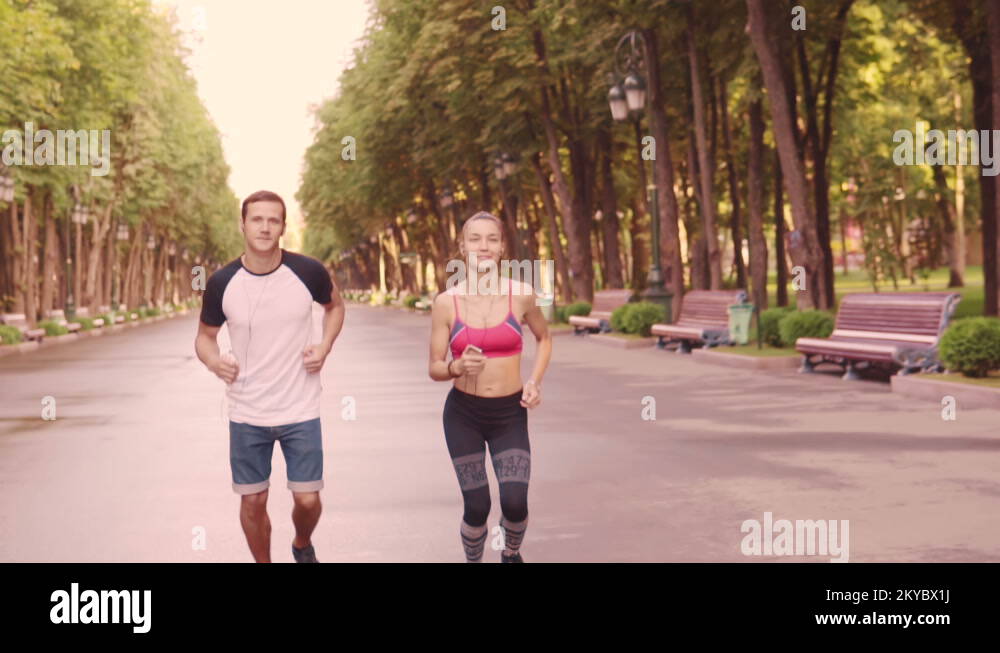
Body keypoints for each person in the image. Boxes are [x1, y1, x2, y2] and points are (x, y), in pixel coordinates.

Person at [194, 190, 345, 563]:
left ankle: (301, 543)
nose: (265, 227)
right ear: (242, 224)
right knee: (253, 499)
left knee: (308, 498)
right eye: (257, 219)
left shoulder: (308, 271)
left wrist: (324, 346)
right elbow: (204, 337)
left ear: (283, 227)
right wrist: (215, 363)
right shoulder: (221, 282)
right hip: (247, 411)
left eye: (273, 220)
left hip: (300, 407)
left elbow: (335, 307)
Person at [428, 211, 552, 562]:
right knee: (477, 504)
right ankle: (474, 559)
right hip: (463, 414)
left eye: (492, 239)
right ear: (462, 246)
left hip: (509, 414)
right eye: (475, 239)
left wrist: (535, 381)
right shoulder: (445, 302)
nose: (483, 246)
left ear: (502, 248)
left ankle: (511, 553)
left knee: (515, 502)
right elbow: (434, 368)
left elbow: (545, 339)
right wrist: (455, 366)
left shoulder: (523, 295)